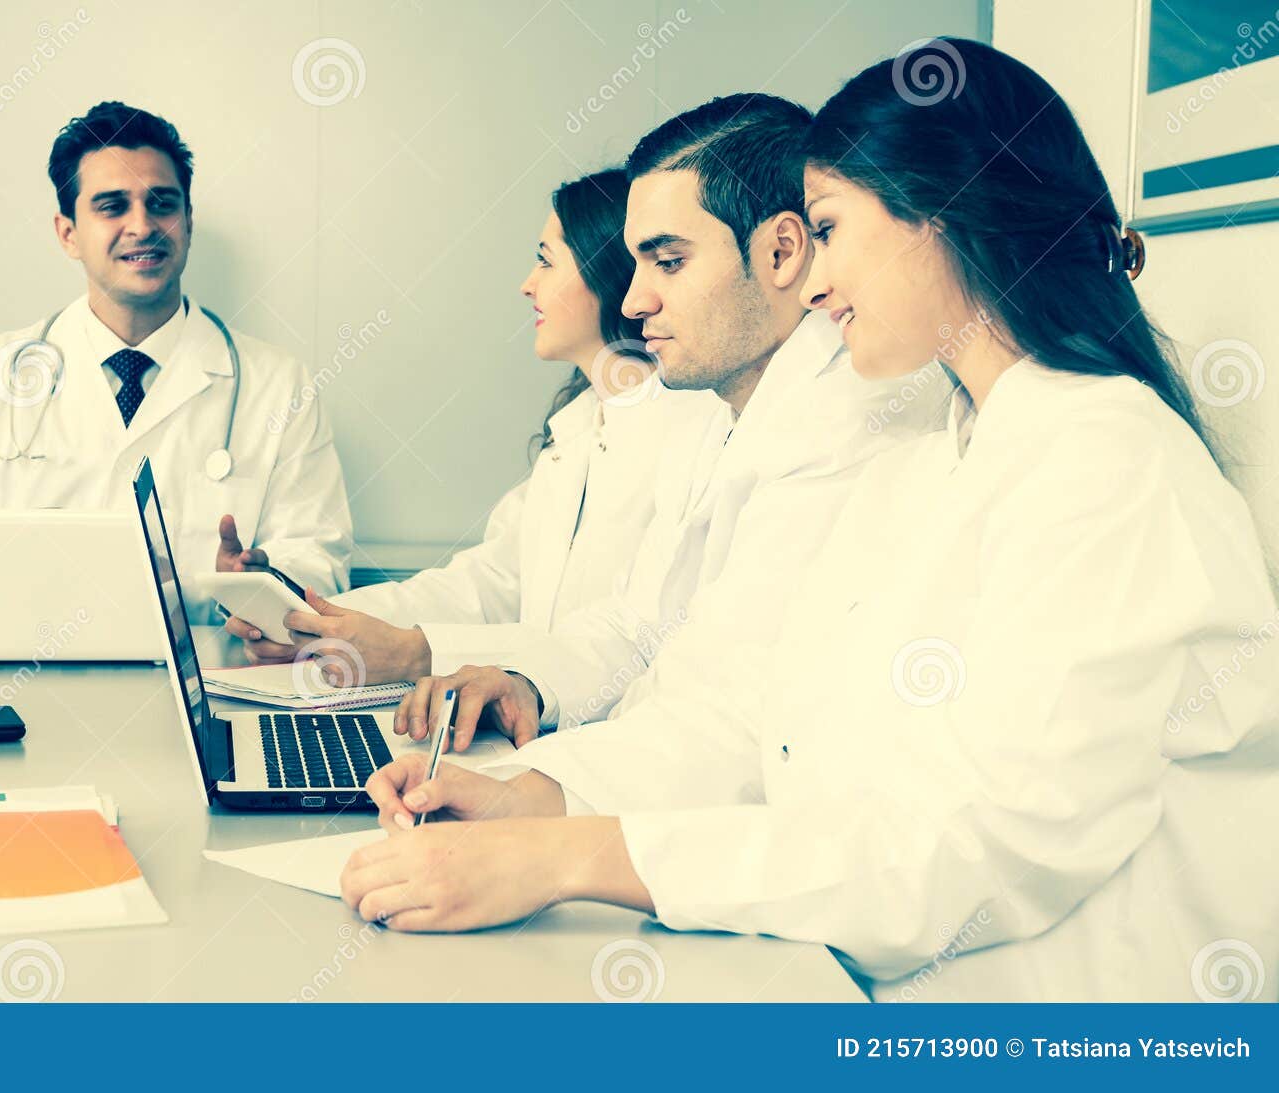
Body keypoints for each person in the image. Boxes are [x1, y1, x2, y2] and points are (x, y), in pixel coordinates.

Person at [343, 40, 1279, 1002]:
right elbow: (761, 714)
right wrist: (531, 805)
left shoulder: (1108, 465)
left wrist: (575, 856)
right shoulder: (936, 448)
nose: (816, 285)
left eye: (828, 231)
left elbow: (977, 854)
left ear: (942, 217)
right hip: (869, 972)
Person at [389, 93, 947, 749]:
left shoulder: (848, 421)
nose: (633, 299)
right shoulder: (713, 414)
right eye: (637, 264)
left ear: (780, 252)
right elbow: (638, 623)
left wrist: (540, 788)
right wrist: (530, 686)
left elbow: (731, 712)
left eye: (669, 261)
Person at [226, 170, 728, 684]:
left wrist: (412, 652)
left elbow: (628, 640)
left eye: (545, 261)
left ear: (608, 275)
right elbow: (485, 584)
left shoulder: (692, 433)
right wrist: (319, 619)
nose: (528, 284)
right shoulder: (579, 433)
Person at [0, 102, 353, 614]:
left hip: (215, 684)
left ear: (188, 223)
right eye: (111, 206)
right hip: (22, 681)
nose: (142, 226)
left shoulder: (280, 386)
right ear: (68, 234)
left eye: (162, 204)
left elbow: (318, 560)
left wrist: (259, 587)